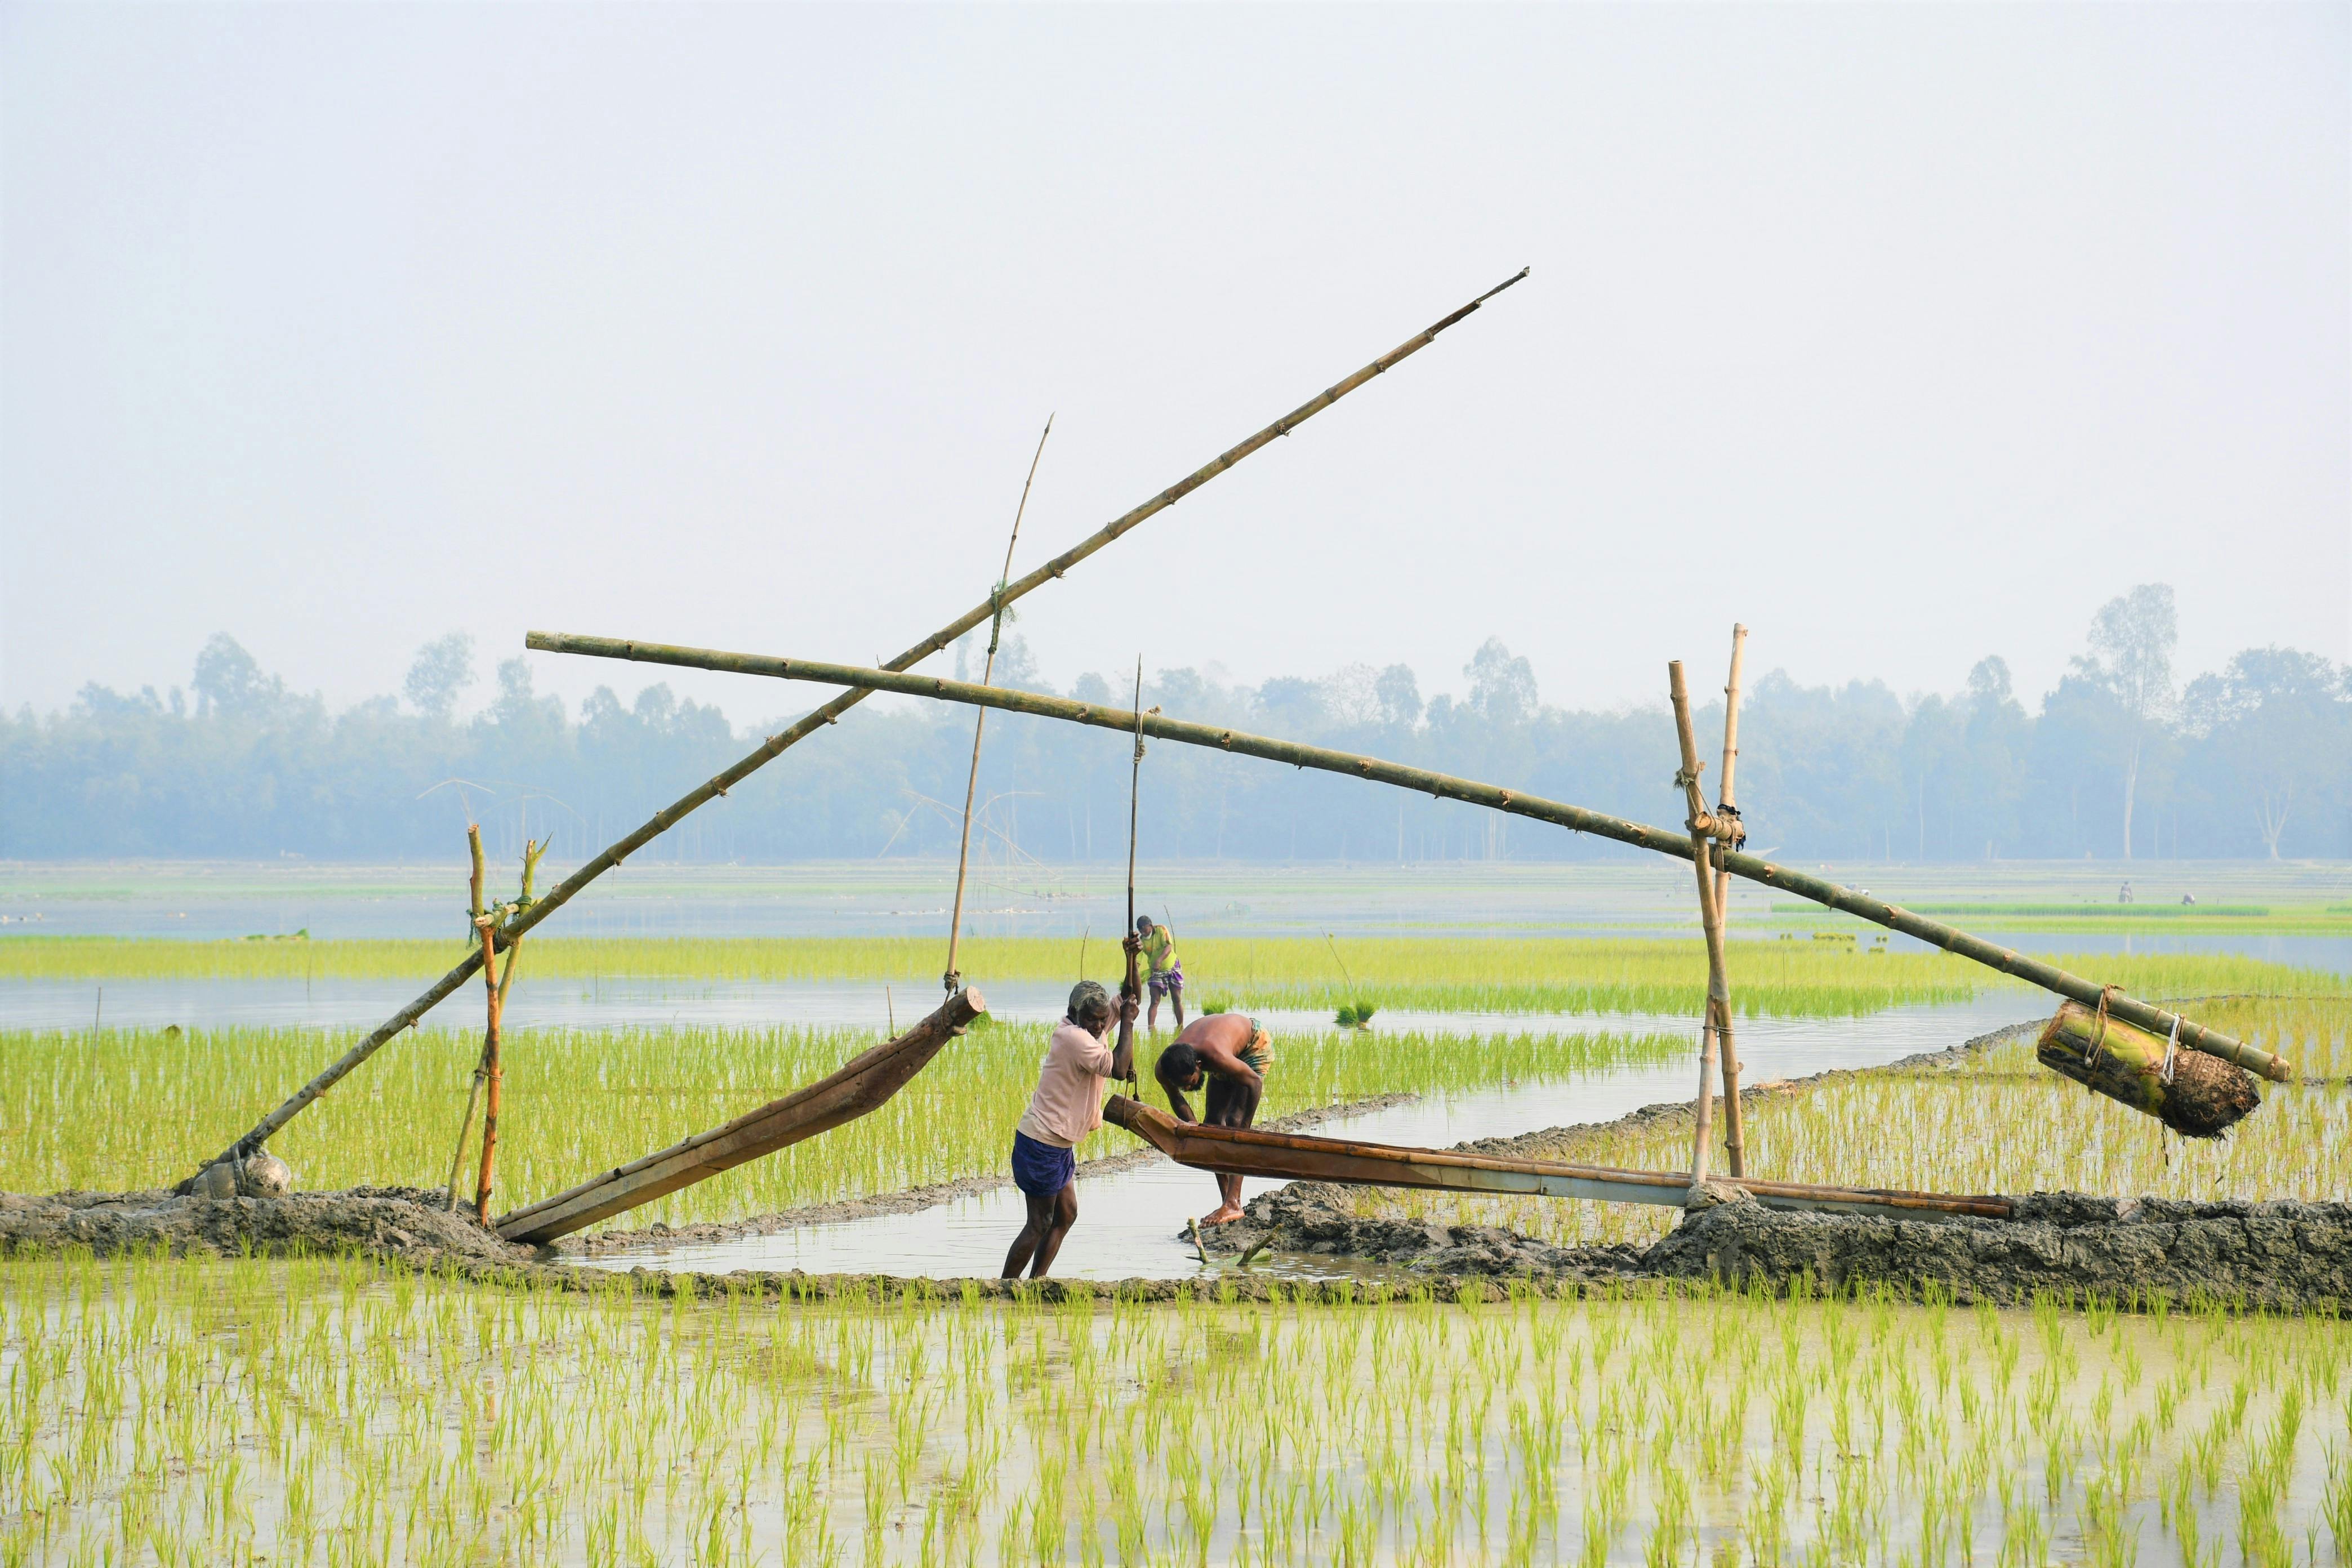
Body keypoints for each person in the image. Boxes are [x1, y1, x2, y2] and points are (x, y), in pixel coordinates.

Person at [1002, 960, 1138, 1279]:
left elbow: (1131, 997)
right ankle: (1004, 1288)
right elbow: (1118, 1069)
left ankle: (1037, 1282)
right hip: (1042, 1143)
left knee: (1067, 1214)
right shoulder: (1074, 1038)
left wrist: (1131, 957)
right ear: (1074, 1013)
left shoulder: (1092, 1027)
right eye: (1092, 1021)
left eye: (1103, 1021)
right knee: (1039, 1222)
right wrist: (1128, 1024)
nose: (1098, 1027)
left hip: (1058, 1144)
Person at [1152, 1012, 1273, 1226]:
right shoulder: (1164, 1069)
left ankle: (1233, 1204)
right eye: (1184, 1086)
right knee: (1211, 1126)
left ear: (1199, 1065)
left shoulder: (1217, 1057)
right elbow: (1176, 1098)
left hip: (1252, 1044)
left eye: (1190, 1082)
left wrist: (1246, 1128)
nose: (1188, 1088)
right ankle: (1226, 1201)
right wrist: (1195, 1130)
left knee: (1235, 1125)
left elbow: (1254, 1083)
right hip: (1220, 1045)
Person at [1137, 915, 1185, 1031]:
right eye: (1140, 930)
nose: (1143, 932)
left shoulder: (1161, 930)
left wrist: (1159, 960)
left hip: (1172, 967)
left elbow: (1168, 946)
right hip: (1155, 971)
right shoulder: (1141, 941)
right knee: (1155, 1000)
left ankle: (1180, 1027)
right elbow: (1138, 960)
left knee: (1176, 999)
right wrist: (1134, 974)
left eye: (1144, 929)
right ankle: (1151, 1029)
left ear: (1150, 926)